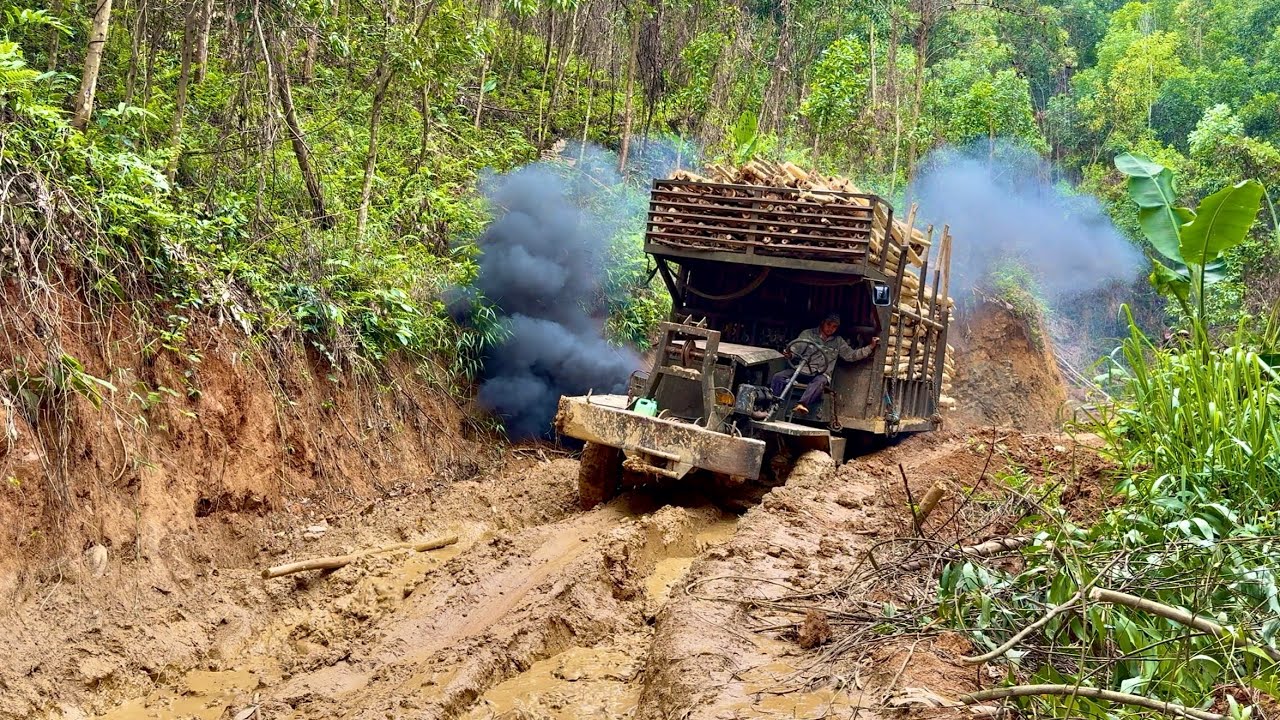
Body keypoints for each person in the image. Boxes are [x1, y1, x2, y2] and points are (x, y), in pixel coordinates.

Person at [770, 313, 879, 415]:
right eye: (828, 324)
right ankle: (773, 404)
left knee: (821, 381)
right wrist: (790, 354)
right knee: (779, 377)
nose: (830, 328)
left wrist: (870, 347)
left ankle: (802, 404)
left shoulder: (838, 342)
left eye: (834, 326)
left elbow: (851, 355)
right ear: (823, 322)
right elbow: (796, 348)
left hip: (820, 375)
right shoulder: (808, 334)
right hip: (803, 370)